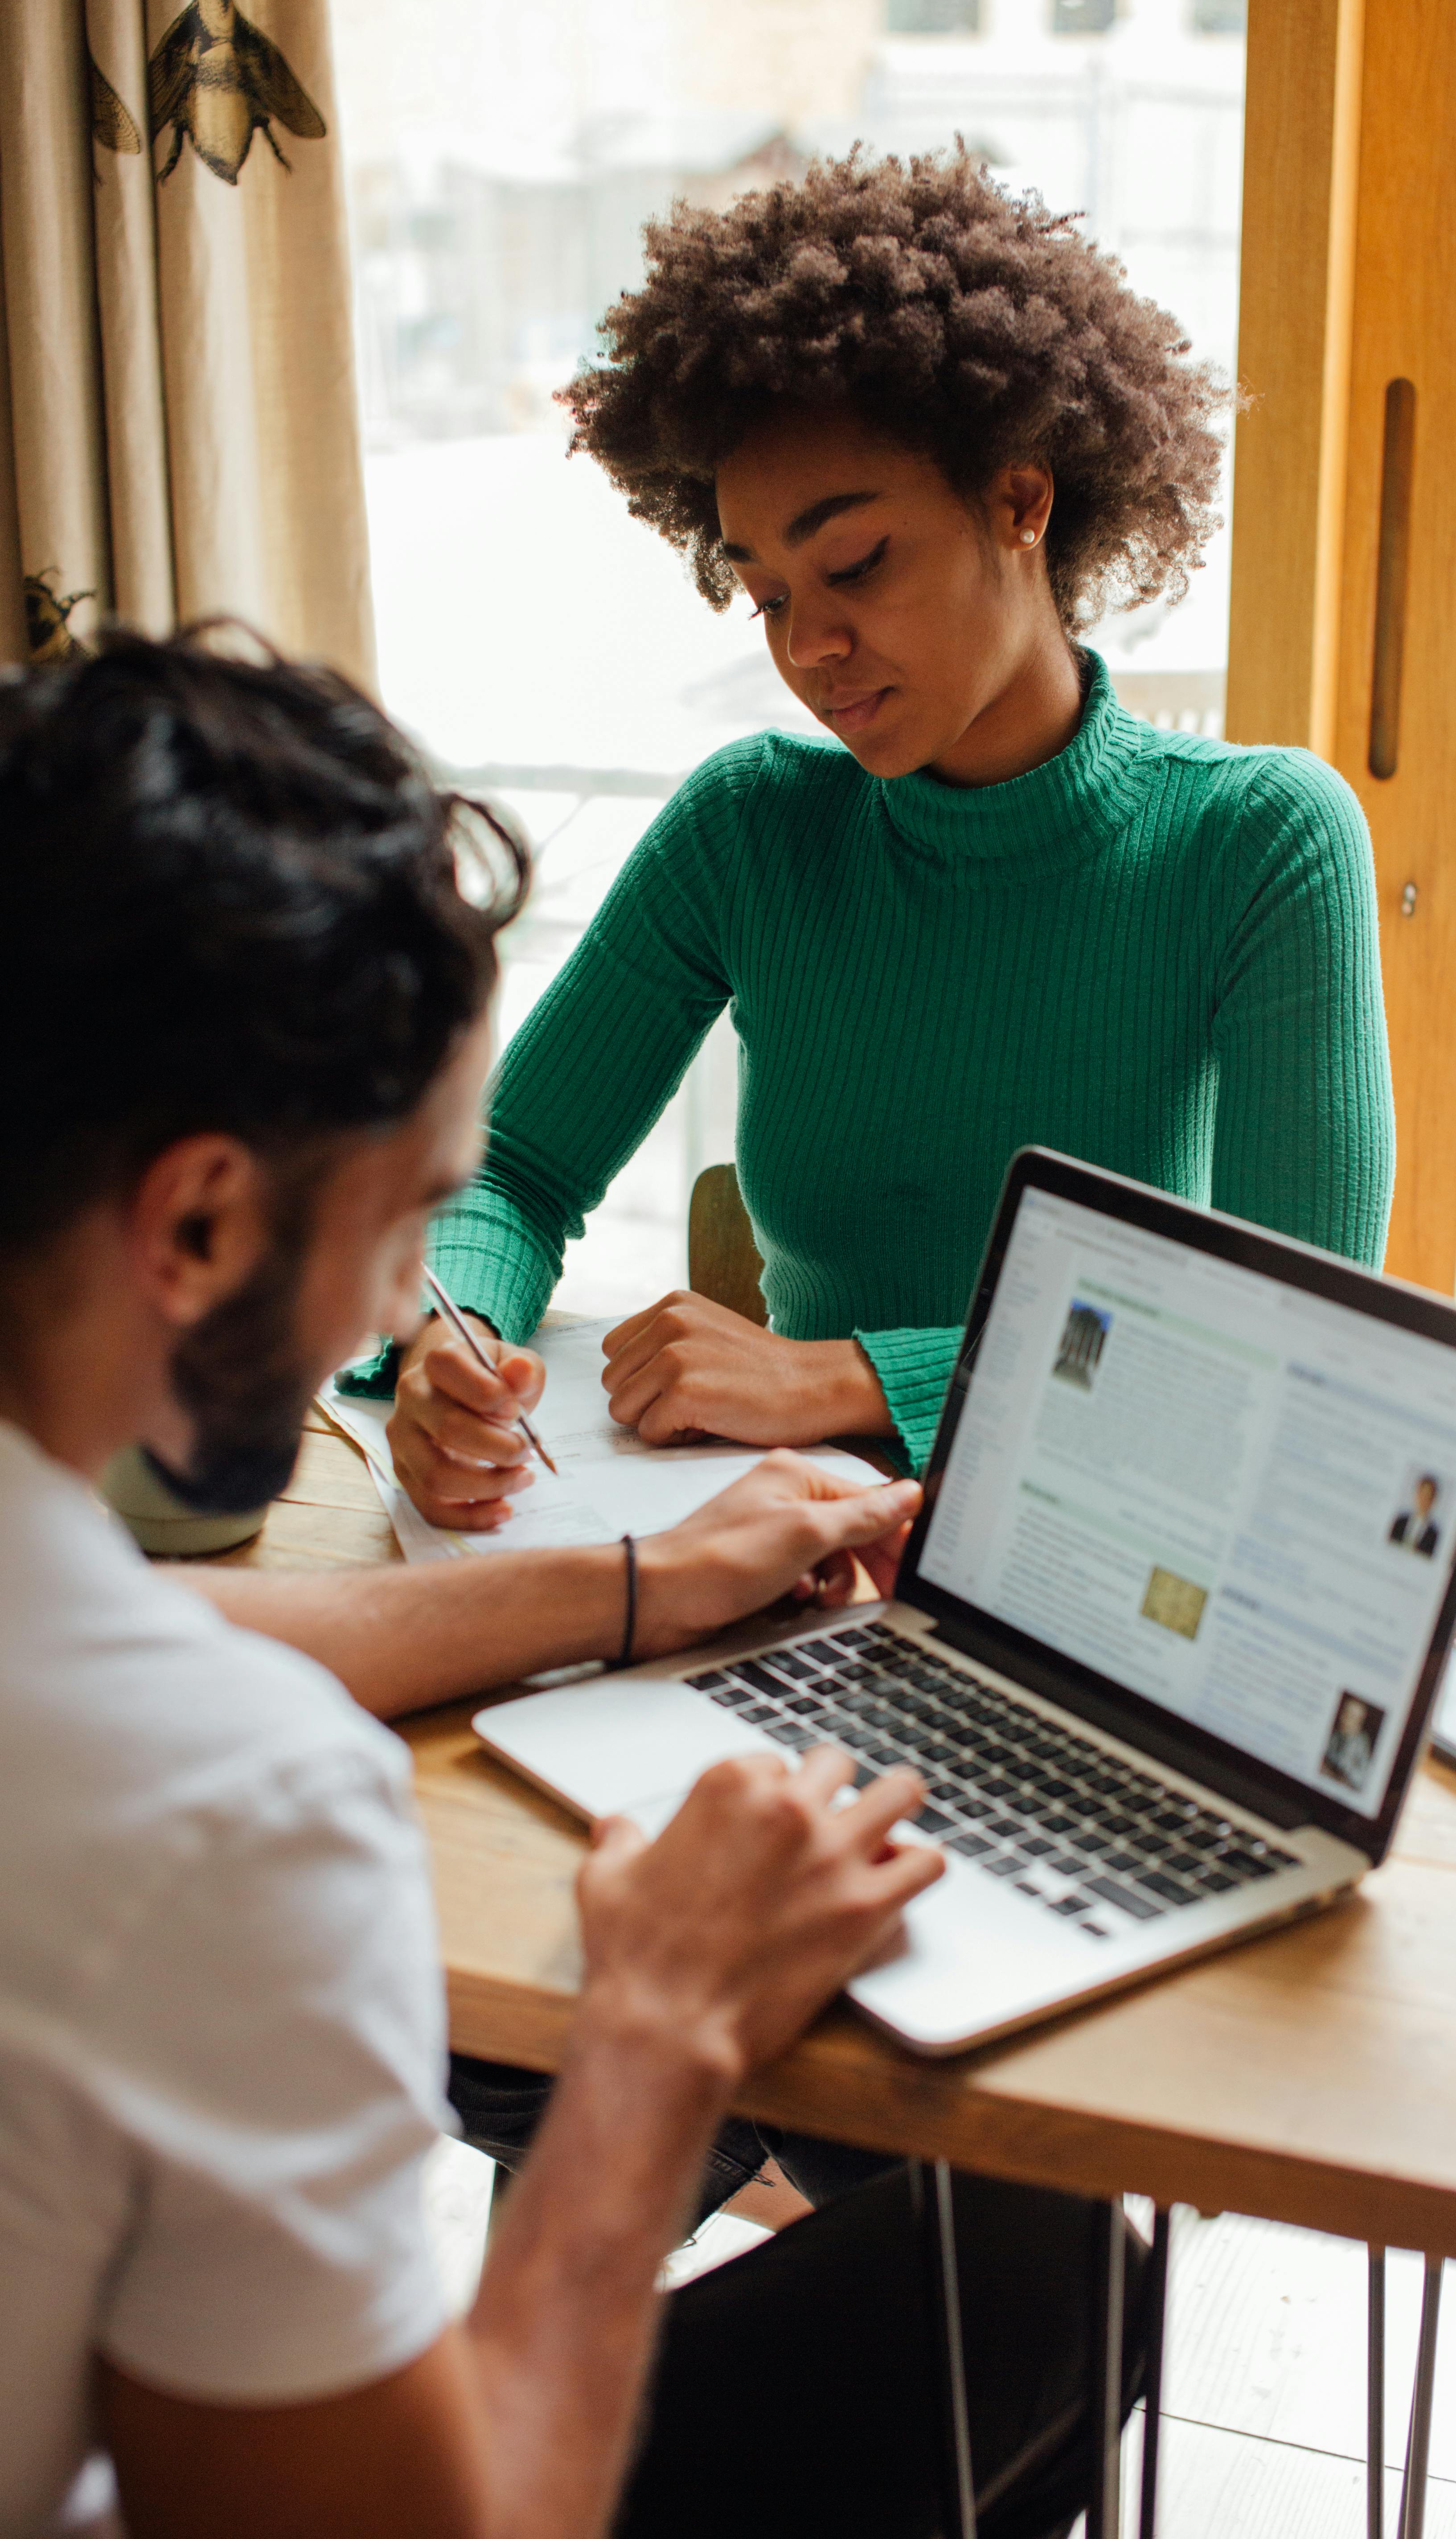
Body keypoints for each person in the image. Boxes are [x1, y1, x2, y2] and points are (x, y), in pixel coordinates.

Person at [0, 632, 1148, 2539]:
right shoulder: (231, 1816)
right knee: (1034, 2276)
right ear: (196, 1220)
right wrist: (656, 2039)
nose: (409, 1301)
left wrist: (633, 1584)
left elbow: (135, 1636)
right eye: (403, 1220)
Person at [375, 144, 1394, 1543]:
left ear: (1021, 501)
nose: (808, 647)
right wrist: (457, 1340)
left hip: (1104, 1557)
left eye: (855, 565)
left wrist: (845, 1378)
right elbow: (512, 1170)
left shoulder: (1257, 844)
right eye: (765, 594)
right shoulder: (749, 828)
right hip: (793, 1555)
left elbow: (1308, 1342)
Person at [1389, 1476, 1442, 1559]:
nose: (1424, 1500)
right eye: (1422, 1494)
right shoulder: (1400, 1521)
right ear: (1417, 1494)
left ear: (1433, 1500)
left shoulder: (1434, 1535)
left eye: (1428, 1496)